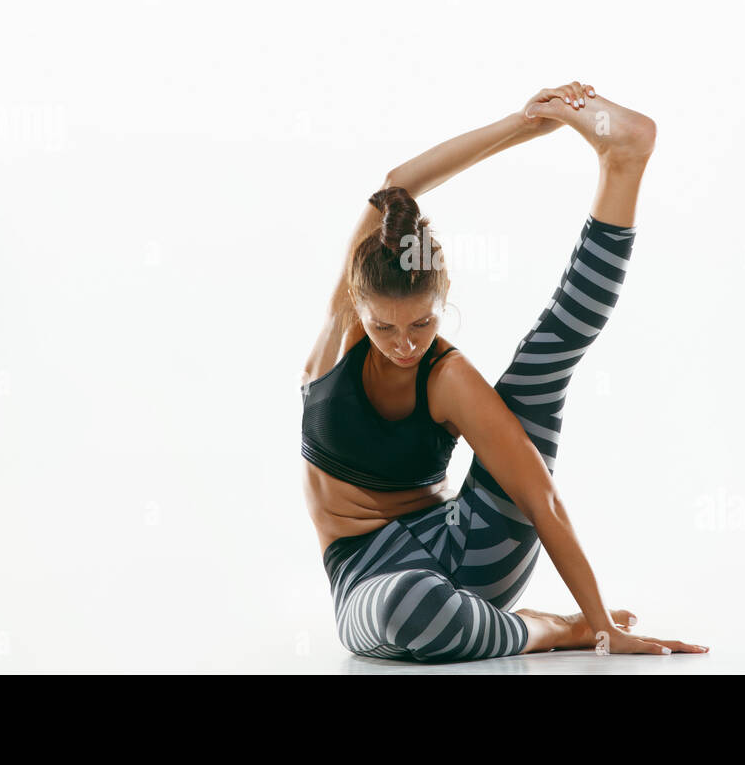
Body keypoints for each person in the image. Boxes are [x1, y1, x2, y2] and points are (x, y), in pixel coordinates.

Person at [299, 81, 710, 662]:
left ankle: (623, 163)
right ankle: (545, 630)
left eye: (421, 324)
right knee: (410, 606)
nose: (404, 345)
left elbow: (538, 495)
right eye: (383, 329)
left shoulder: (446, 377)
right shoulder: (333, 350)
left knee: (541, 366)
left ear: (442, 298)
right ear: (355, 308)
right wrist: (522, 125)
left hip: (470, 551)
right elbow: (397, 184)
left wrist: (603, 625)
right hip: (371, 581)